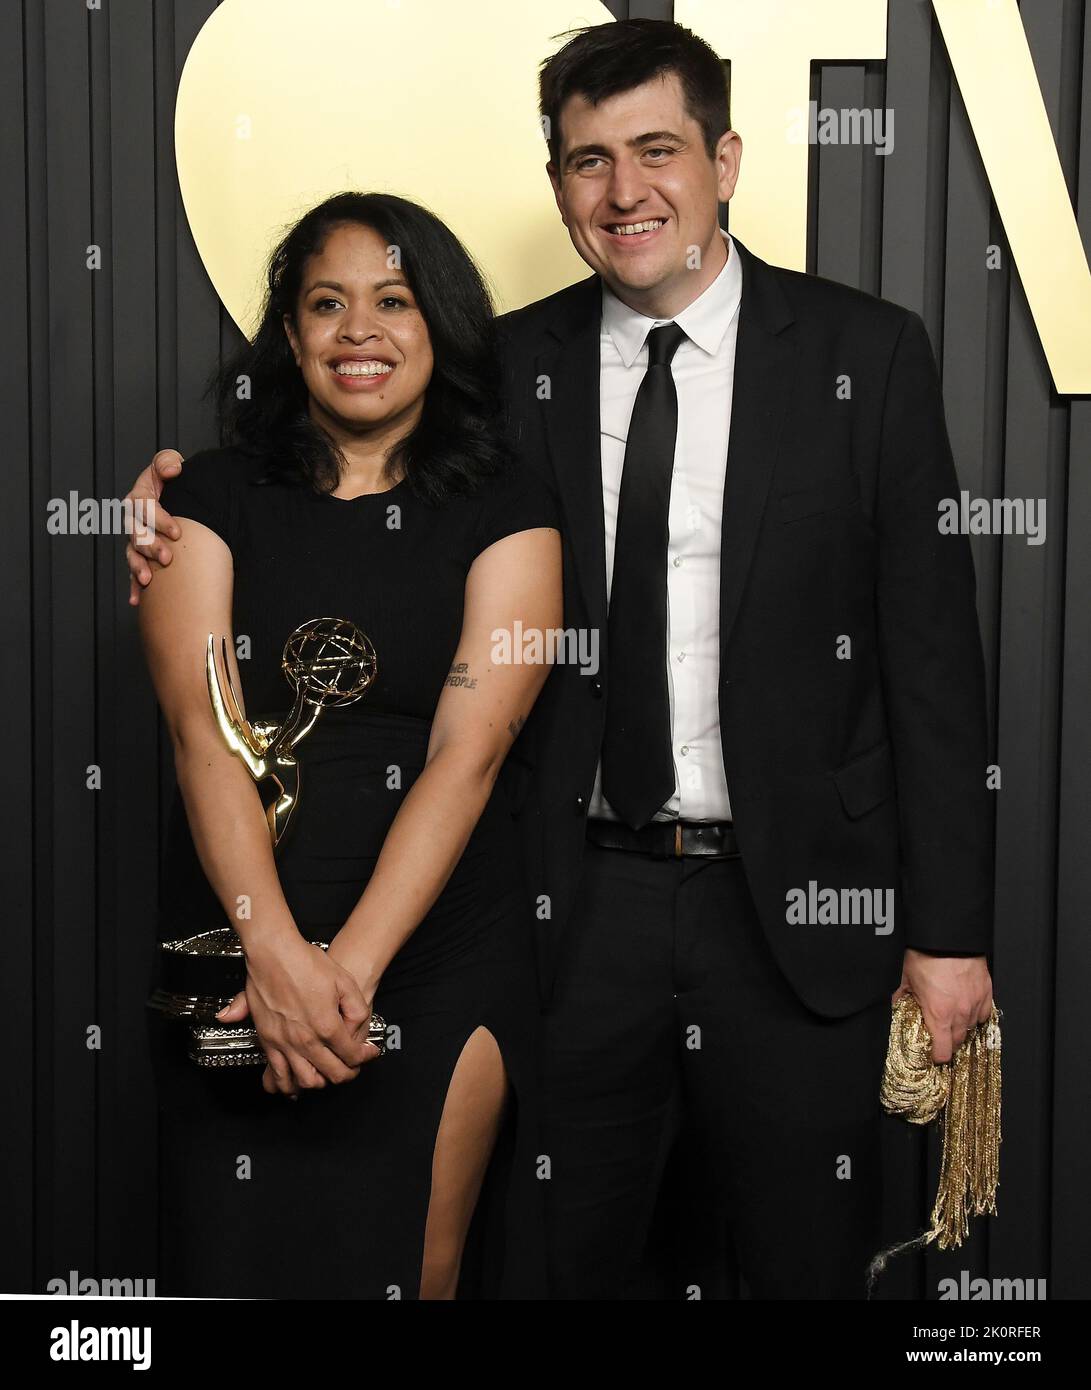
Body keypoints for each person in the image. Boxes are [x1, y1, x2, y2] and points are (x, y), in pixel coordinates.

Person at [126, 20, 995, 1300]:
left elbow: (931, 660)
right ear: (555, 186)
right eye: (586, 161)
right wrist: (164, 498)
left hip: (803, 908)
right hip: (567, 907)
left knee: (804, 1264)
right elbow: (321, 475)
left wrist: (950, 936)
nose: (622, 191)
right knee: (549, 1265)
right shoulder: (502, 367)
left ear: (725, 160)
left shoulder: (865, 356)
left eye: (655, 150)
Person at [136, 190, 562, 1300]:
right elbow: (203, 734)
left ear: (442, 325)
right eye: (326, 304)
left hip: (436, 952)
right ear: (288, 334)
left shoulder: (509, 507)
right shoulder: (207, 498)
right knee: (237, 1268)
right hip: (240, 955)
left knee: (410, 1269)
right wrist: (276, 958)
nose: (357, 331)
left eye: (393, 301)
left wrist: (347, 974)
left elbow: (467, 753)